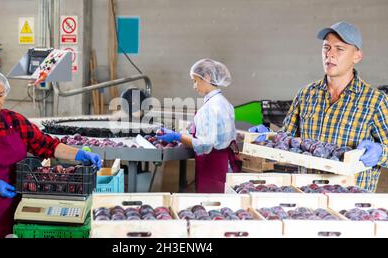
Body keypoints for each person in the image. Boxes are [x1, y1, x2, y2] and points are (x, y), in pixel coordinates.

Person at [0, 69, 102, 238]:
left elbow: (46, 144)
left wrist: (79, 154)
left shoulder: (14, 121)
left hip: (14, 206)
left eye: (1, 95)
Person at [249, 21, 388, 192]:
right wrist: (269, 137)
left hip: (351, 202)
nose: (330, 54)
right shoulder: (306, 94)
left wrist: (380, 152)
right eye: (326, 47)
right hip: (308, 196)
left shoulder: (374, 101)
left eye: (339, 49)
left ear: (357, 56)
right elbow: (287, 139)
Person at [157, 59, 239, 193]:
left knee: (210, 205)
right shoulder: (224, 103)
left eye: (195, 81)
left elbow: (204, 145)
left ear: (206, 77)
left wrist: (177, 137)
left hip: (211, 166)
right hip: (224, 163)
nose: (194, 86)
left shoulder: (211, 107)